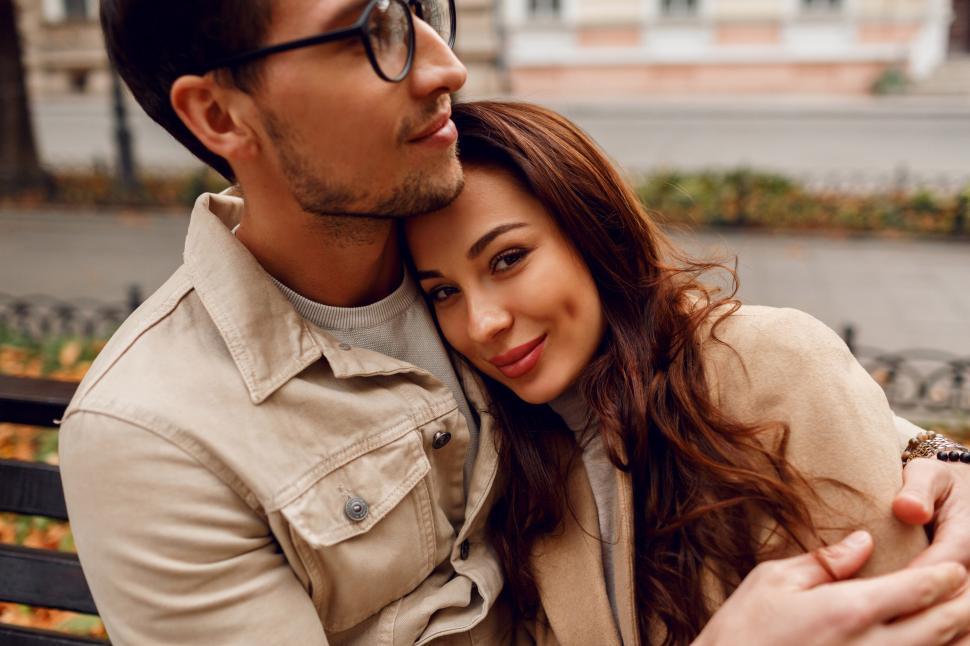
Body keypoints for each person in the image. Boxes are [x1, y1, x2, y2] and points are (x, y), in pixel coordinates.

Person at [56, 1, 970, 644]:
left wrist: (937, 459)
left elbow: (705, 361)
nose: (444, 65)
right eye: (372, 28)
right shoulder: (156, 434)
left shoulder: (433, 239)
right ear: (219, 112)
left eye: (421, 10)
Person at [403, 100, 970, 645]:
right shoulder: (520, 467)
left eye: (508, 258)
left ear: (594, 233)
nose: (482, 324)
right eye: (444, 291)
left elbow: (921, 619)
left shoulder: (768, 364)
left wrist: (934, 451)